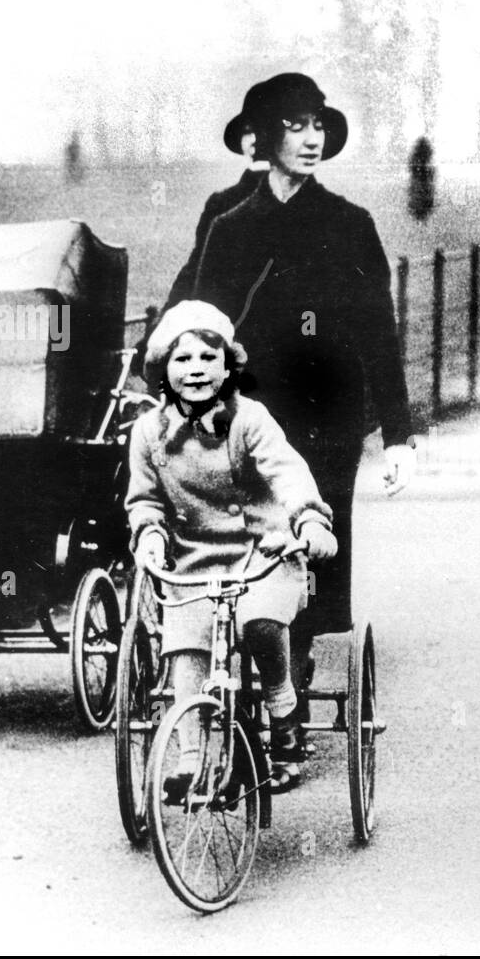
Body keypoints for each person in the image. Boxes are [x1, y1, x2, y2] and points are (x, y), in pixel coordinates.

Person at [188, 72, 416, 724]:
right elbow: (206, 324)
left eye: (318, 125)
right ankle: (261, 682)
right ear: (264, 139)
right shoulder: (232, 228)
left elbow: (379, 329)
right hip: (254, 418)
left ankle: (292, 684)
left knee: (312, 541)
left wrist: (398, 435)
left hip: (331, 415)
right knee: (249, 542)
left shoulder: (349, 225)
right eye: (295, 126)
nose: (311, 139)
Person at [126, 302, 338, 797]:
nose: (196, 368)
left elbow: (286, 470)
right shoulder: (147, 433)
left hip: (267, 552)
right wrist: (152, 537)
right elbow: (144, 501)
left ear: (228, 366)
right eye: (182, 359)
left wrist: (308, 518)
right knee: (186, 644)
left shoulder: (250, 419)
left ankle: (283, 706)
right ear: (163, 370)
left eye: (208, 356)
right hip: (195, 561)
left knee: (260, 621)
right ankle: (191, 757)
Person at [161, 90, 272, 315]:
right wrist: (165, 321)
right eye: (248, 132)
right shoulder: (221, 202)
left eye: (265, 131)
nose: (255, 140)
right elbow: (196, 270)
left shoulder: (311, 203)